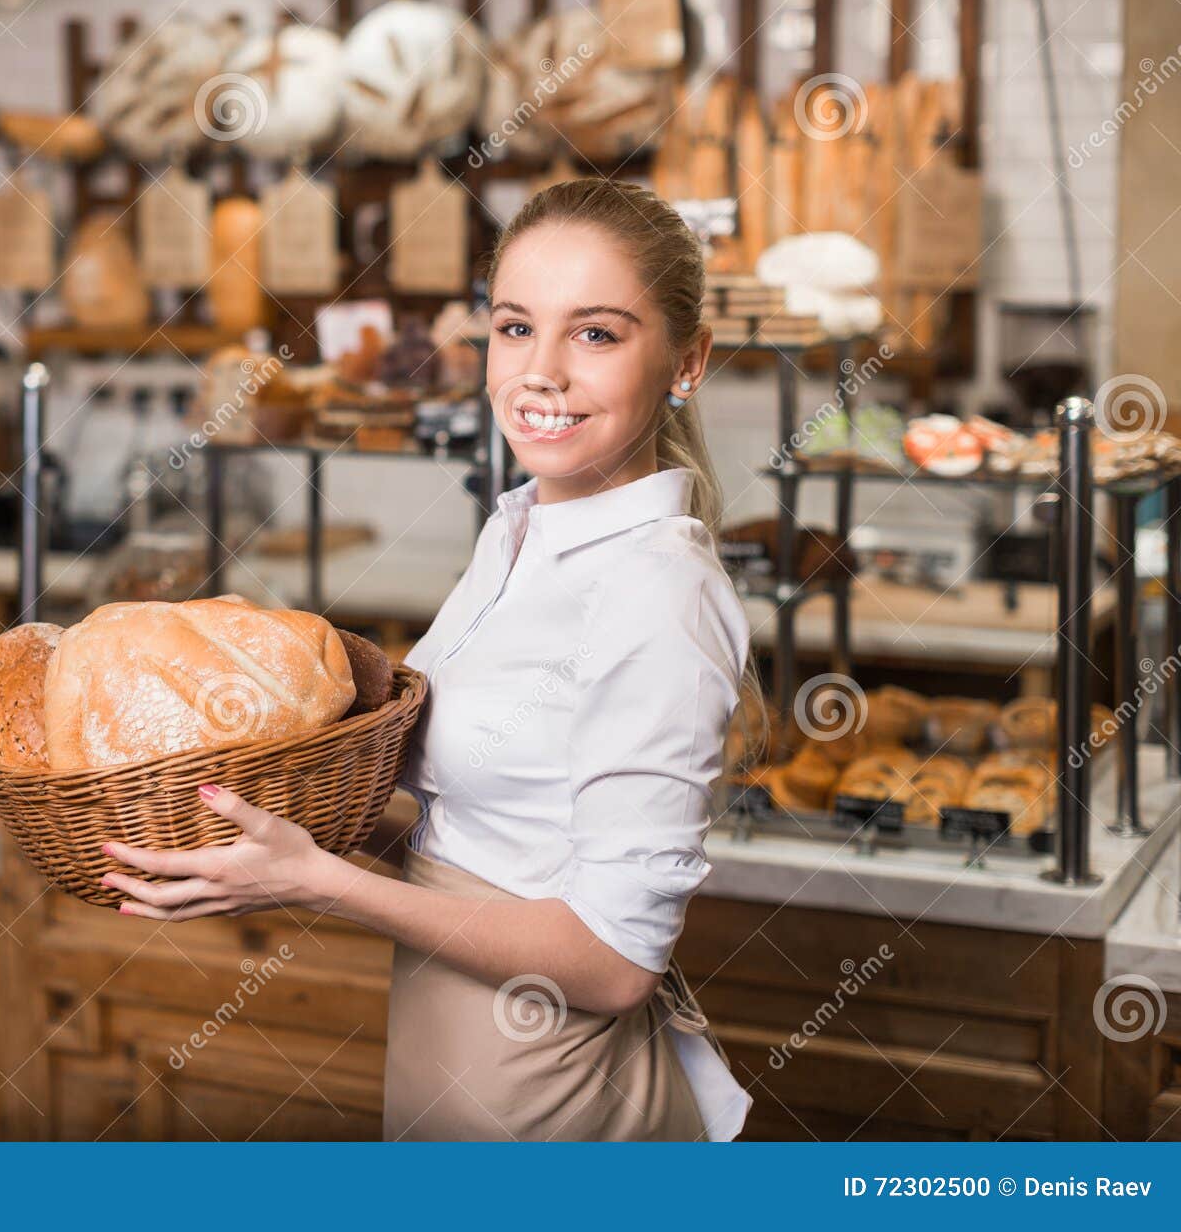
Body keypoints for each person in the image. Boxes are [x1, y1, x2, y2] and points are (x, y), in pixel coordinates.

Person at [100, 179, 753, 1141]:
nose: (541, 373)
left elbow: (616, 963)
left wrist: (319, 881)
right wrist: (281, 821)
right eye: (515, 328)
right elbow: (482, 834)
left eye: (596, 334)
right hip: (450, 1079)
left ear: (687, 361)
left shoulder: (658, 591)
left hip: (557, 1106)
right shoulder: (519, 531)